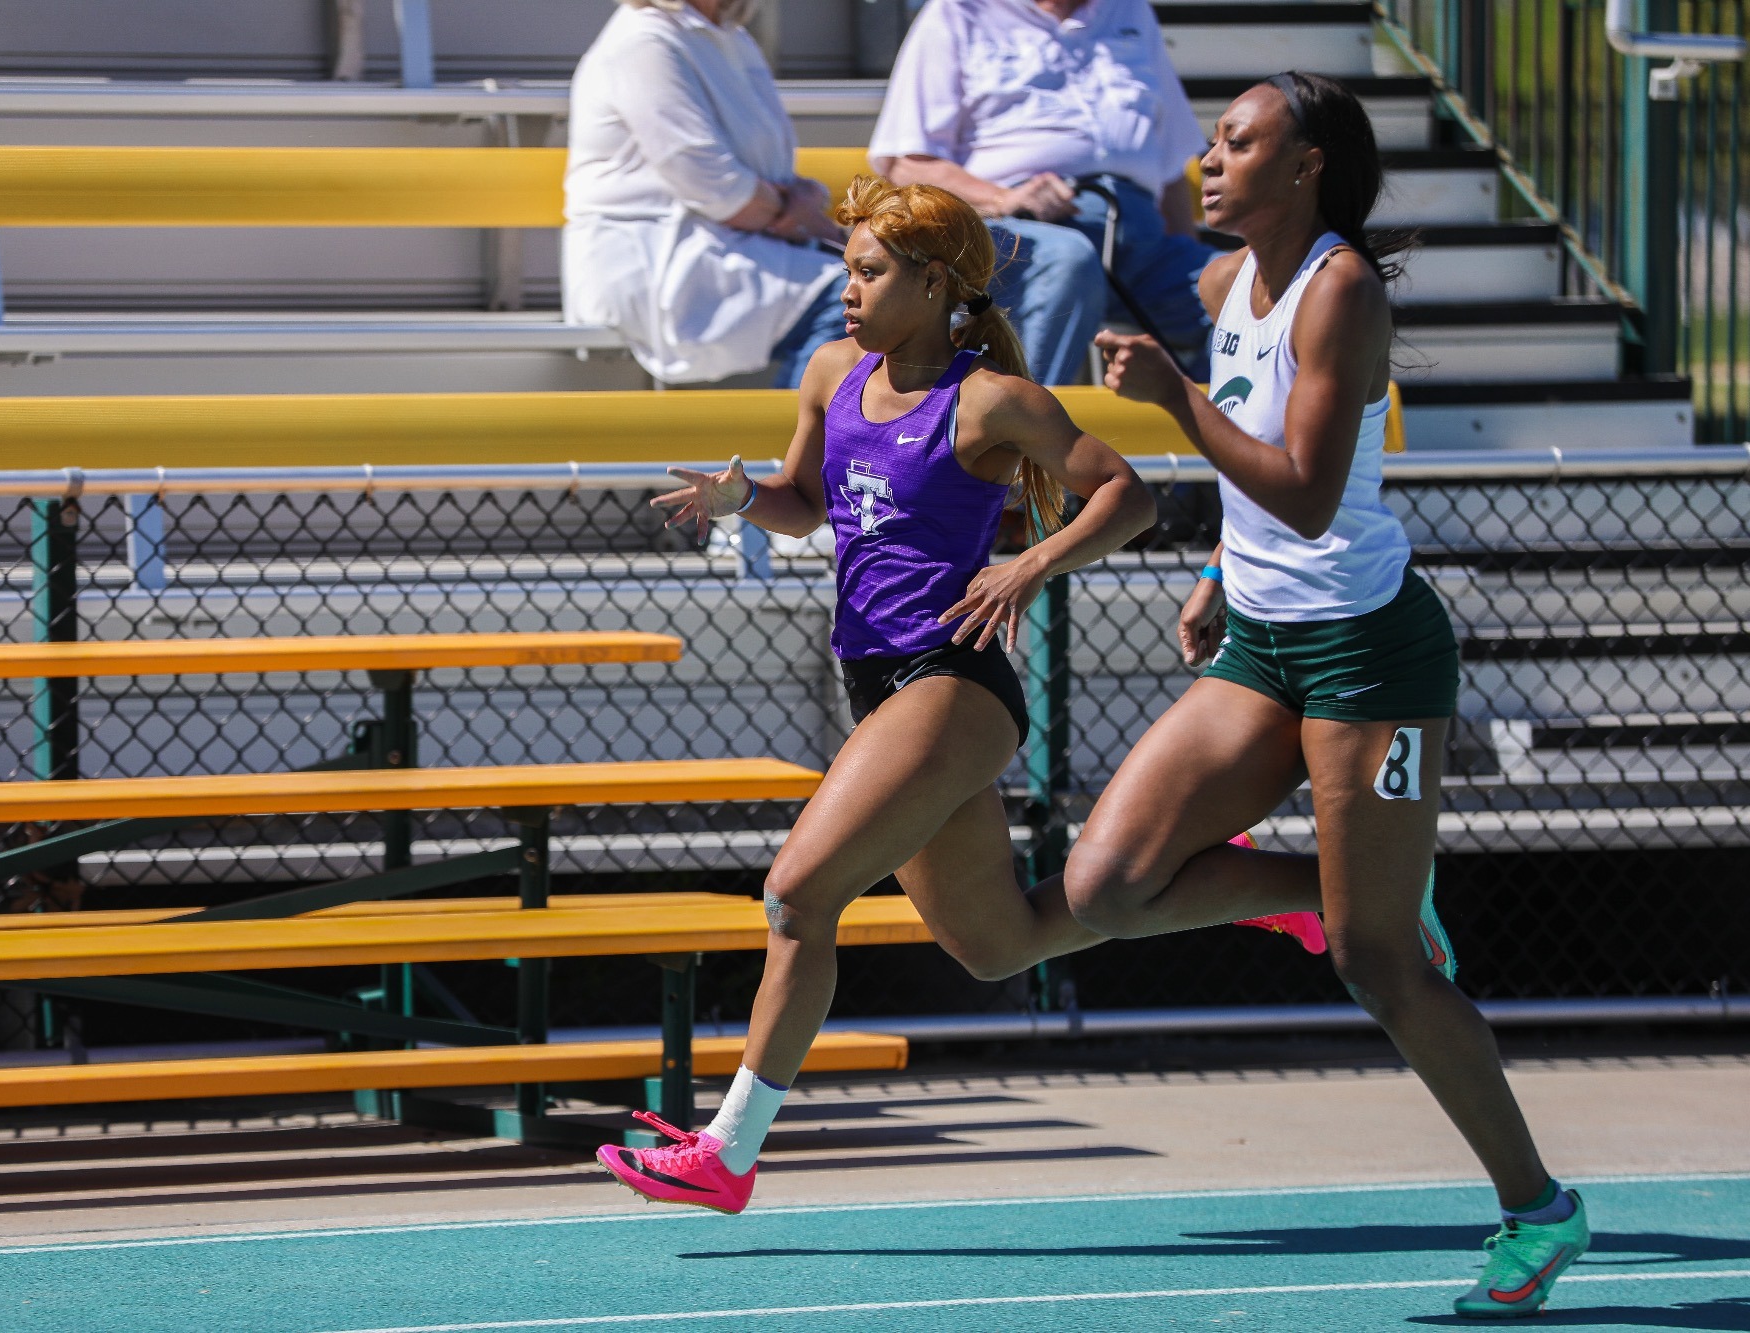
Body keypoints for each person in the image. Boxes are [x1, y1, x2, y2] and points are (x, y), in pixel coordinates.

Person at [1073, 73, 1589, 1320]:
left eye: (1236, 143)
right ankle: (1346, 894)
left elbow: (1305, 490)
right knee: (1104, 887)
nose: (1206, 162)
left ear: (1304, 166)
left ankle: (1536, 1207)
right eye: (1207, 143)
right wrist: (1211, 566)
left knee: (1377, 967)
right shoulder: (1216, 286)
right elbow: (1262, 466)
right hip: (1262, 638)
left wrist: (1169, 403)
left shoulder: (1341, 286)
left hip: (1369, 655)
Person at [594, 175, 1159, 1213]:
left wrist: (1028, 566)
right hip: (876, 684)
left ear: (936, 282)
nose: (845, 290)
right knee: (1000, 946)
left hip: (952, 684)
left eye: (867, 272)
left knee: (799, 893)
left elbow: (1128, 493)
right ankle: (1269, 891)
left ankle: (728, 1148)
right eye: (844, 268)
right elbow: (806, 505)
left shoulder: (990, 399)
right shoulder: (827, 372)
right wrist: (740, 499)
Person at [870, 0, 1222, 382]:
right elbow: (906, 163)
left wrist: (1186, 249)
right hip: (1019, 233)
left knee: (1240, 283)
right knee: (1069, 261)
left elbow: (1169, 167)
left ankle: (1221, 432)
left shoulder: (1131, 9)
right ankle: (1019, 432)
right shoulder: (957, 11)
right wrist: (1003, 199)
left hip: (1140, 243)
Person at [562, 0, 848, 389]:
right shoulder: (644, 41)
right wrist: (798, 213)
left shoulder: (730, 36)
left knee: (890, 291)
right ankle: (805, 447)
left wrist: (801, 201)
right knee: (850, 300)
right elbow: (716, 187)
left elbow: (763, 165)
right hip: (660, 261)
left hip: (732, 247)